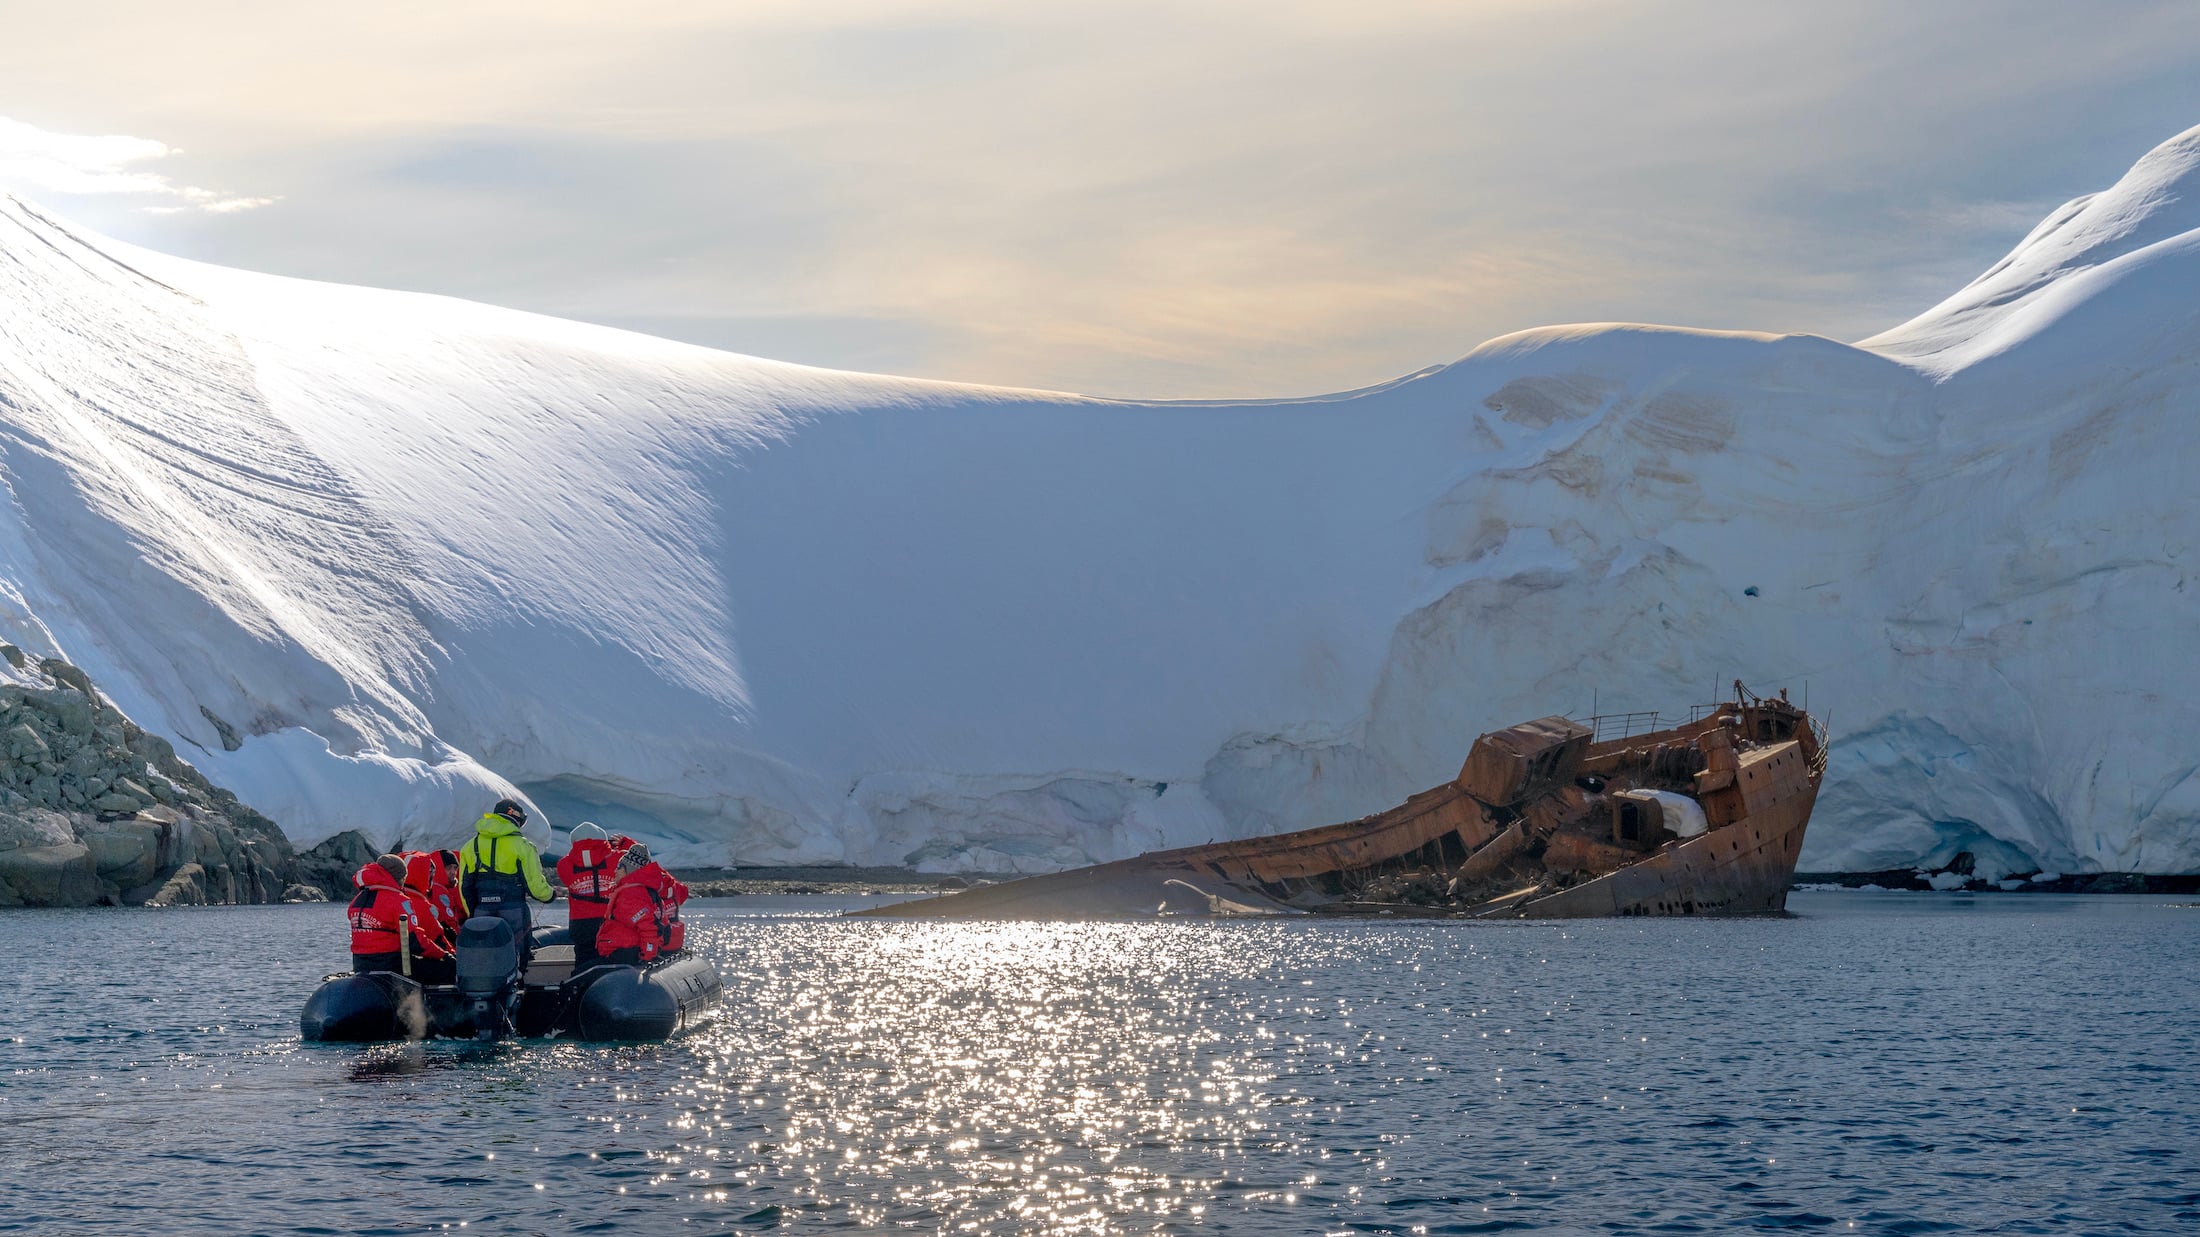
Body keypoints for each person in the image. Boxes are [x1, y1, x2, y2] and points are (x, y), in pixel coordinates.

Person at [457, 799, 556, 968]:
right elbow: (535, 884)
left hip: (482, 910)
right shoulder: (523, 845)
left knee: (485, 956)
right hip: (513, 910)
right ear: (517, 820)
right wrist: (550, 895)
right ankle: (518, 982)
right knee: (517, 953)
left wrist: (473, 913)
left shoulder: (470, 846)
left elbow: (464, 887)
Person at [348, 855, 454, 982]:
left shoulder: (357, 899)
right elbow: (417, 942)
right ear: (399, 877)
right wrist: (445, 956)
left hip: (361, 965)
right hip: (392, 966)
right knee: (447, 968)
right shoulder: (399, 900)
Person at [595, 844, 685, 967]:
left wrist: (647, 957)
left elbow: (649, 927)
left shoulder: (631, 894)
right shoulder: (643, 891)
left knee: (580, 976)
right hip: (625, 950)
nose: (615, 871)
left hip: (624, 953)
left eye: (619, 866)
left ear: (628, 870)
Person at [555, 823, 621, 969]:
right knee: (611, 959)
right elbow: (641, 863)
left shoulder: (564, 864)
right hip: (610, 920)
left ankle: (580, 986)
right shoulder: (617, 859)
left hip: (580, 923)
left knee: (583, 958)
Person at [406, 851, 465, 942]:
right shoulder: (439, 892)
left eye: (455, 868)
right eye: (448, 868)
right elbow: (447, 921)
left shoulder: (437, 889)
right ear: (440, 868)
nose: (453, 872)